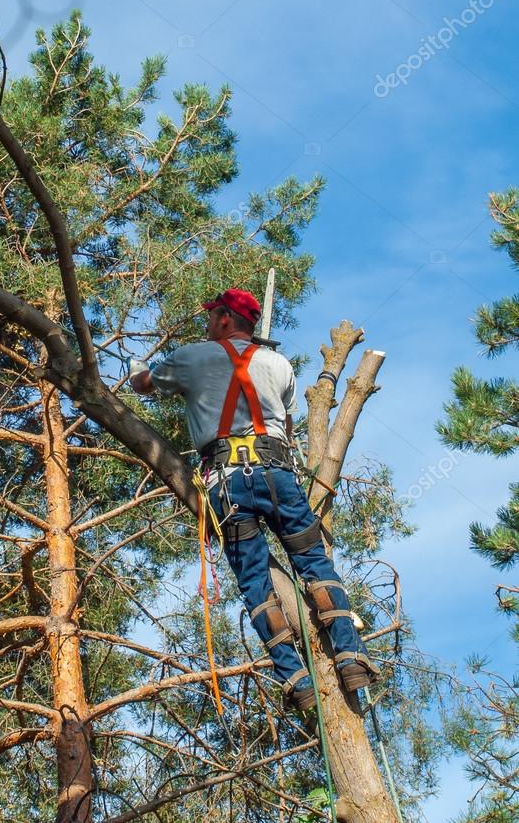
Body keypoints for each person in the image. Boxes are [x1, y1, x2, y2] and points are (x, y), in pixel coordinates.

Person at [130, 287, 378, 711]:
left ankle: (297, 681)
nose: (207, 324)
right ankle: (351, 656)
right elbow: (285, 419)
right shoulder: (279, 364)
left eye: (212, 317)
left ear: (226, 319)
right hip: (280, 475)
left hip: (229, 481)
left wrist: (136, 365)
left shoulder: (192, 357)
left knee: (254, 583)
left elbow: (145, 385)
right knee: (315, 563)